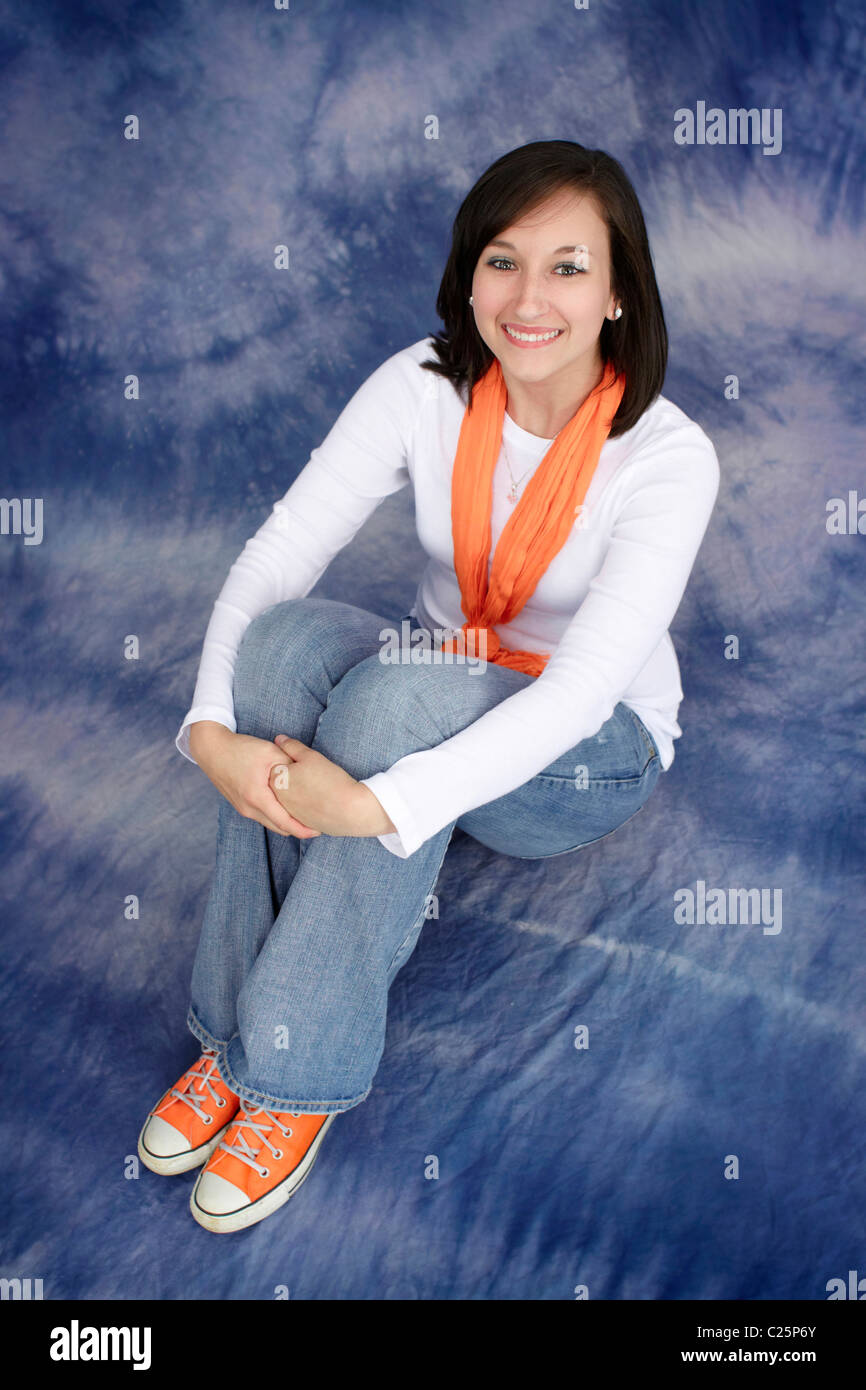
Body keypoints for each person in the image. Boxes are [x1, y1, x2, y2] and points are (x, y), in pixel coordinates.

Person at [137, 139, 720, 1234]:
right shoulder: (423, 383)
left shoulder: (665, 457)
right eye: (502, 260)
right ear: (467, 276)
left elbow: (581, 691)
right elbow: (279, 554)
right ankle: (229, 1037)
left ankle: (290, 1075)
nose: (528, 296)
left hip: (583, 753)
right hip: (440, 674)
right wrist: (209, 727)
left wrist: (376, 806)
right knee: (279, 649)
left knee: (388, 707)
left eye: (566, 266)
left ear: (617, 293)